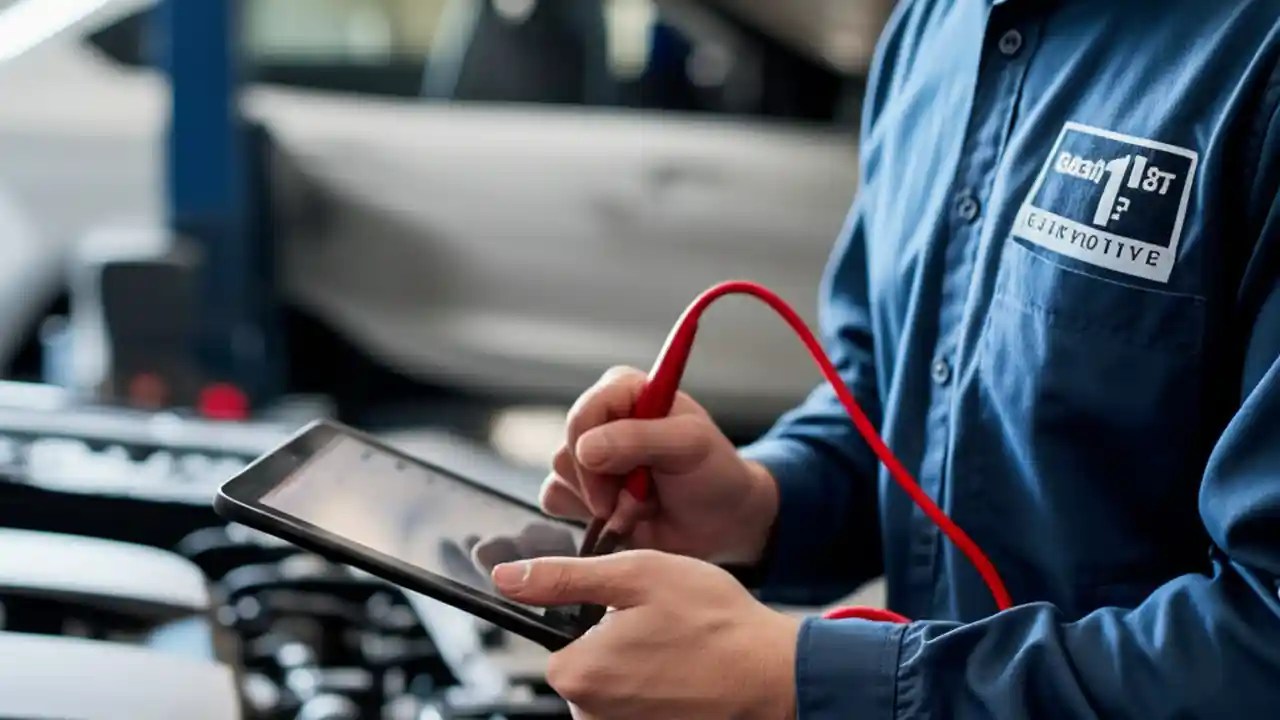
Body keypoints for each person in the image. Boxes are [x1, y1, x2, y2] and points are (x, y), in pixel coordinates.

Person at [491, 1, 1280, 717]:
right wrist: (762, 504)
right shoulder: (932, 27)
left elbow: (1264, 643)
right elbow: (888, 396)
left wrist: (801, 679)